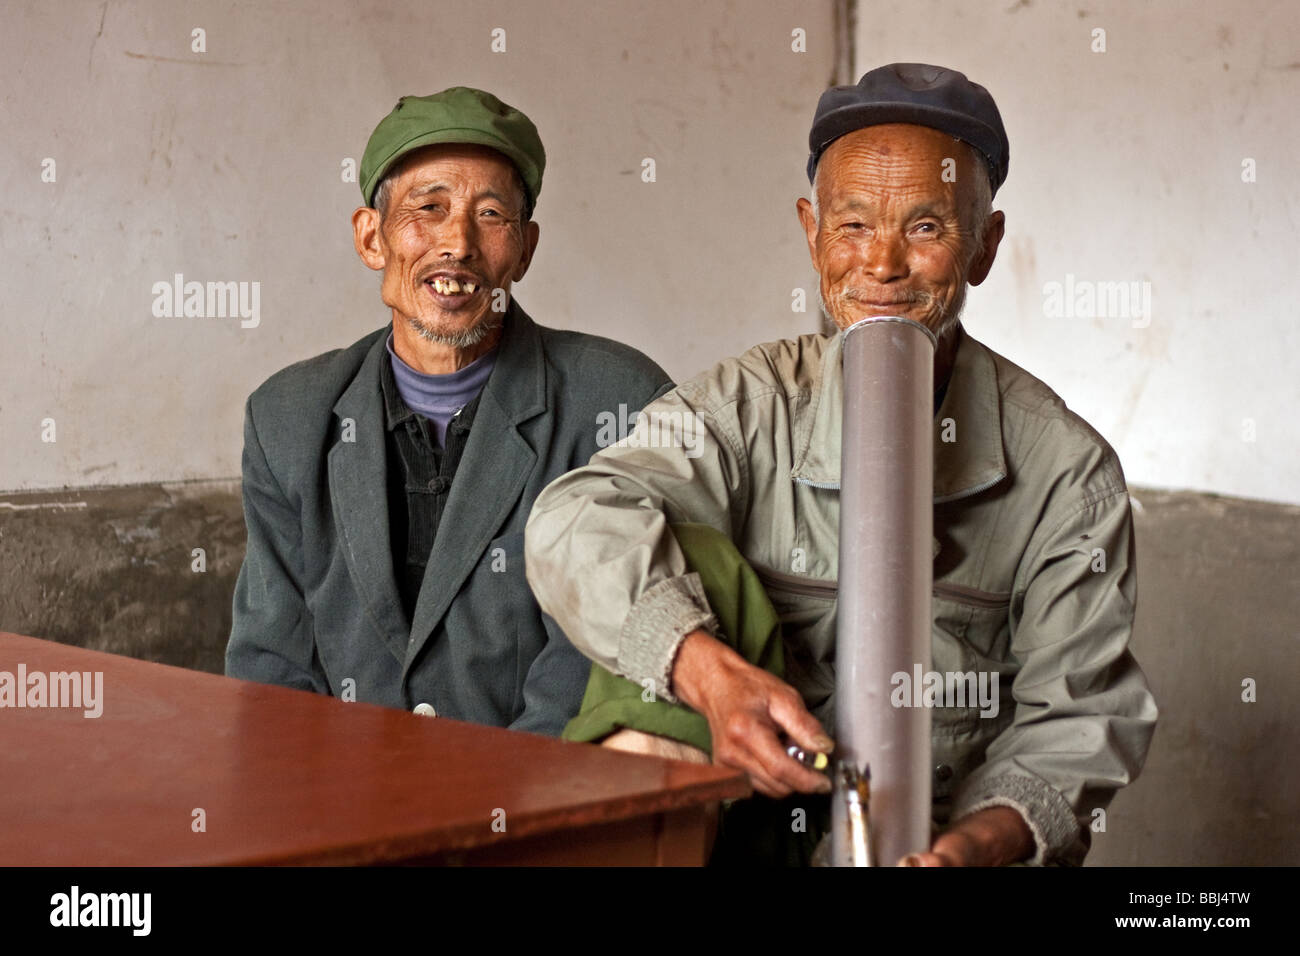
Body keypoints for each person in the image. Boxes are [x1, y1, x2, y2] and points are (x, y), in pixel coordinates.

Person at [525, 64, 1157, 864]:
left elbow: (1078, 722)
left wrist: (970, 848)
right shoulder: (749, 405)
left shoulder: (1066, 472)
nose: (882, 264)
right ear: (812, 232)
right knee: (684, 561)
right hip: (745, 835)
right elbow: (575, 520)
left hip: (933, 844)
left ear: (985, 245)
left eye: (926, 228)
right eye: (853, 224)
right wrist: (705, 673)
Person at [226, 87, 671, 736]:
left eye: (490, 214)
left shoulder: (618, 402)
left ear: (525, 248)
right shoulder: (287, 419)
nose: (457, 243)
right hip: (345, 785)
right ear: (371, 238)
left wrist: (489, 795)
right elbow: (272, 667)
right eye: (428, 208)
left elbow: (598, 667)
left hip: (538, 783)